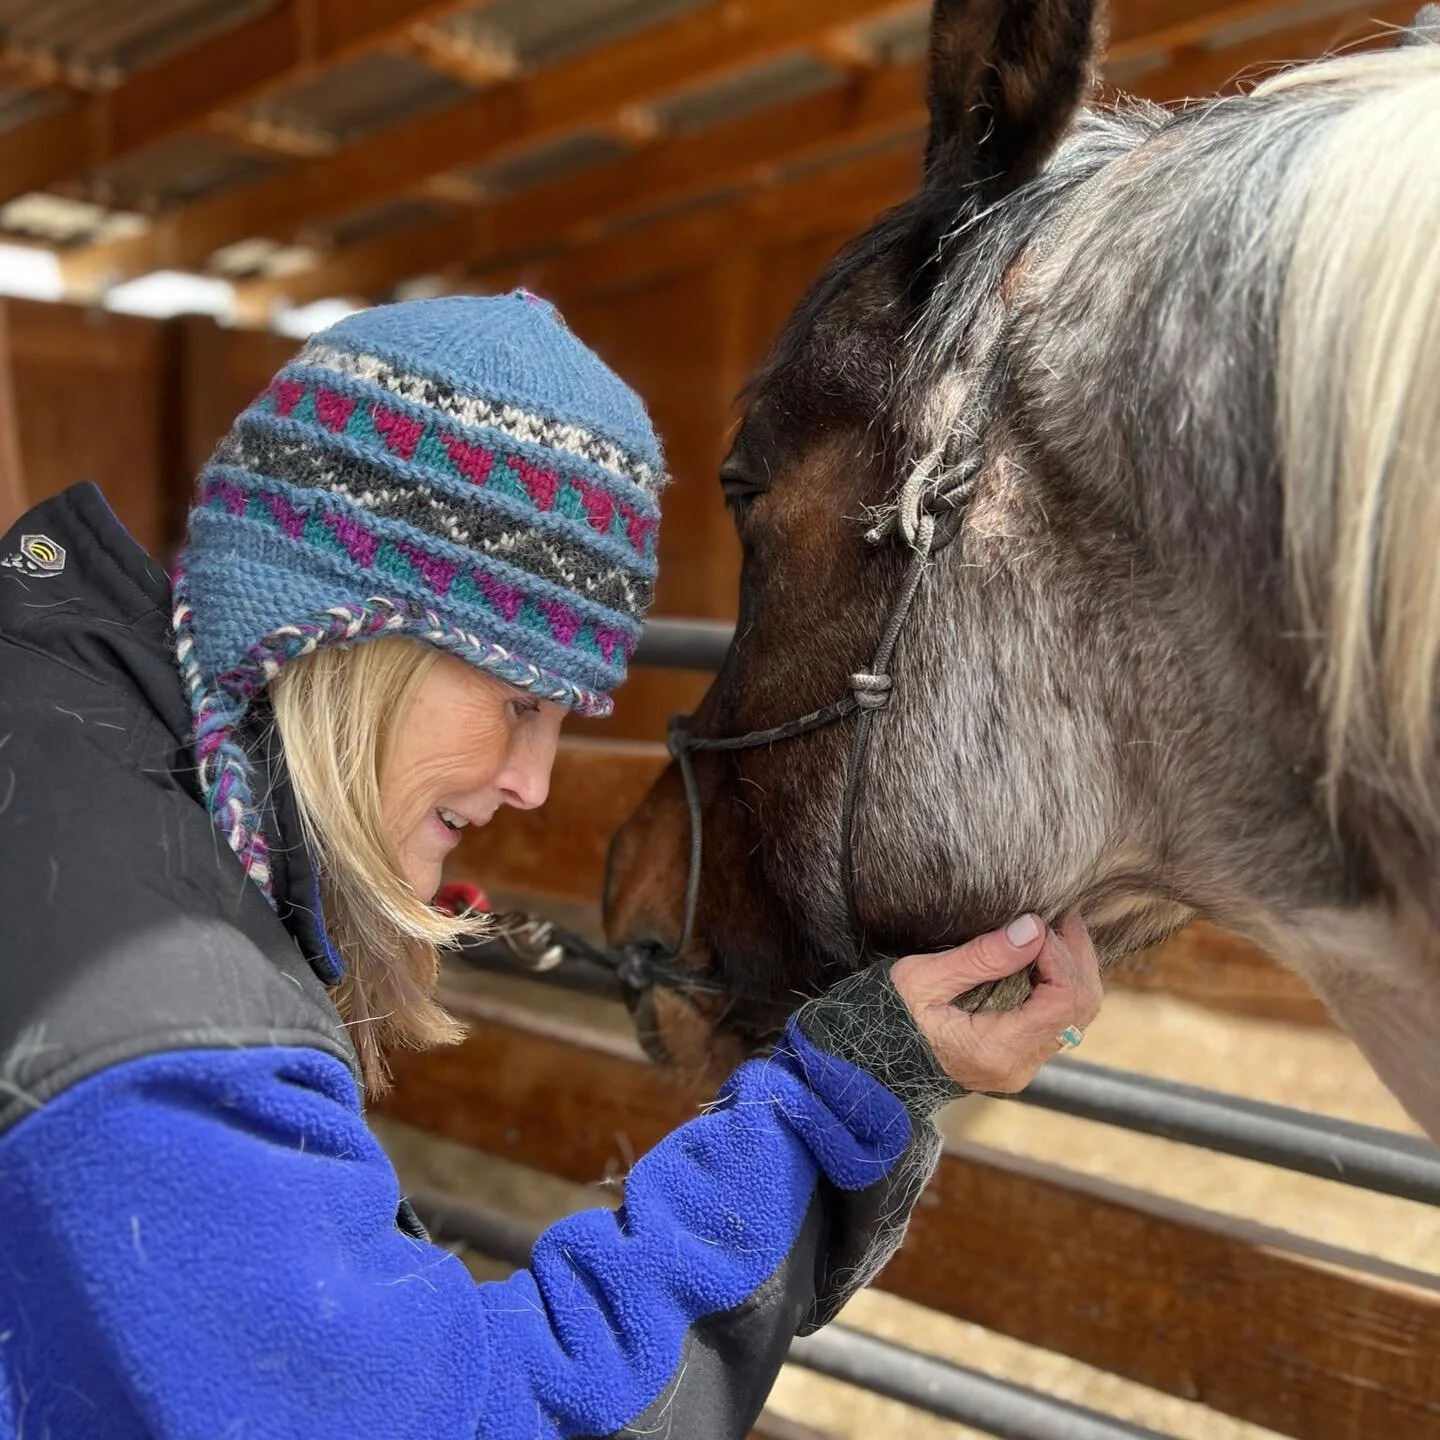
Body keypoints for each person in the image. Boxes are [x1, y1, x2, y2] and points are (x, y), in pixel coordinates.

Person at [0, 292, 1103, 1440]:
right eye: (520, 702)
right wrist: (848, 1094)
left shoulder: (60, 724)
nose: (533, 780)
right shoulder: (165, 1038)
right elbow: (477, 1419)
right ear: (343, 628)